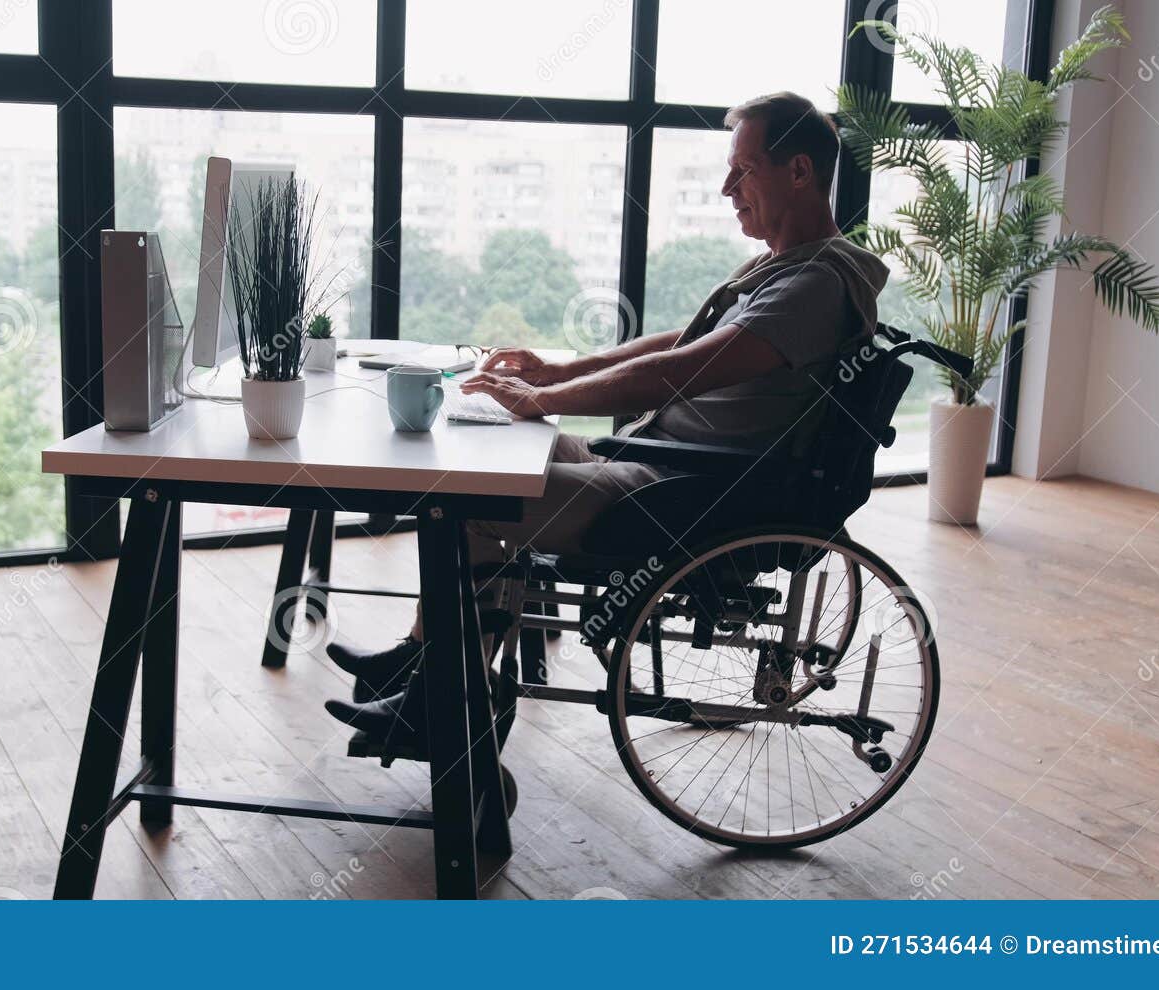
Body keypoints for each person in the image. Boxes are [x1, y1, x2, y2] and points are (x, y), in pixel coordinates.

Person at [323, 91, 890, 742]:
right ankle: (423, 663)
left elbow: (681, 372)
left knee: (472, 501)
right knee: (501, 437)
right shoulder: (791, 270)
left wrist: (546, 398)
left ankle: (436, 708)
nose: (728, 187)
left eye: (745, 168)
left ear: (800, 171)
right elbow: (683, 344)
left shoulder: (813, 286)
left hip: (681, 491)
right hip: (668, 466)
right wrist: (559, 374)